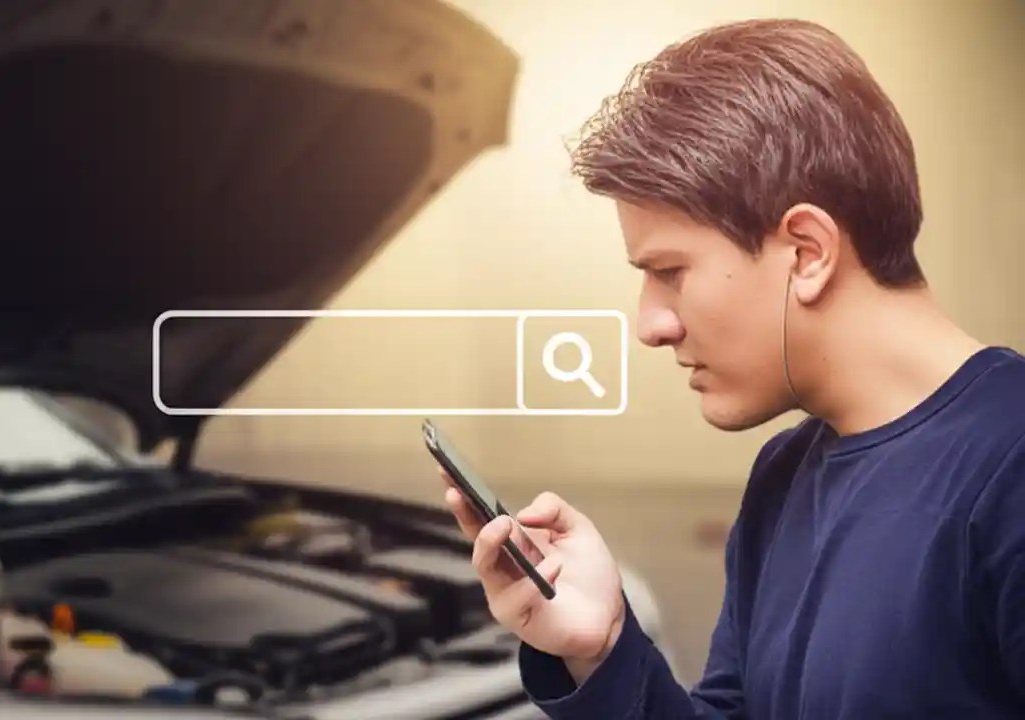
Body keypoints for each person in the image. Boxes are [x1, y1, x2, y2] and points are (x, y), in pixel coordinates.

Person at [439, 17, 1025, 719]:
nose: (650, 326)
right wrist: (600, 650)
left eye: (669, 271)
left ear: (807, 251)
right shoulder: (783, 475)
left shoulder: (1011, 469)